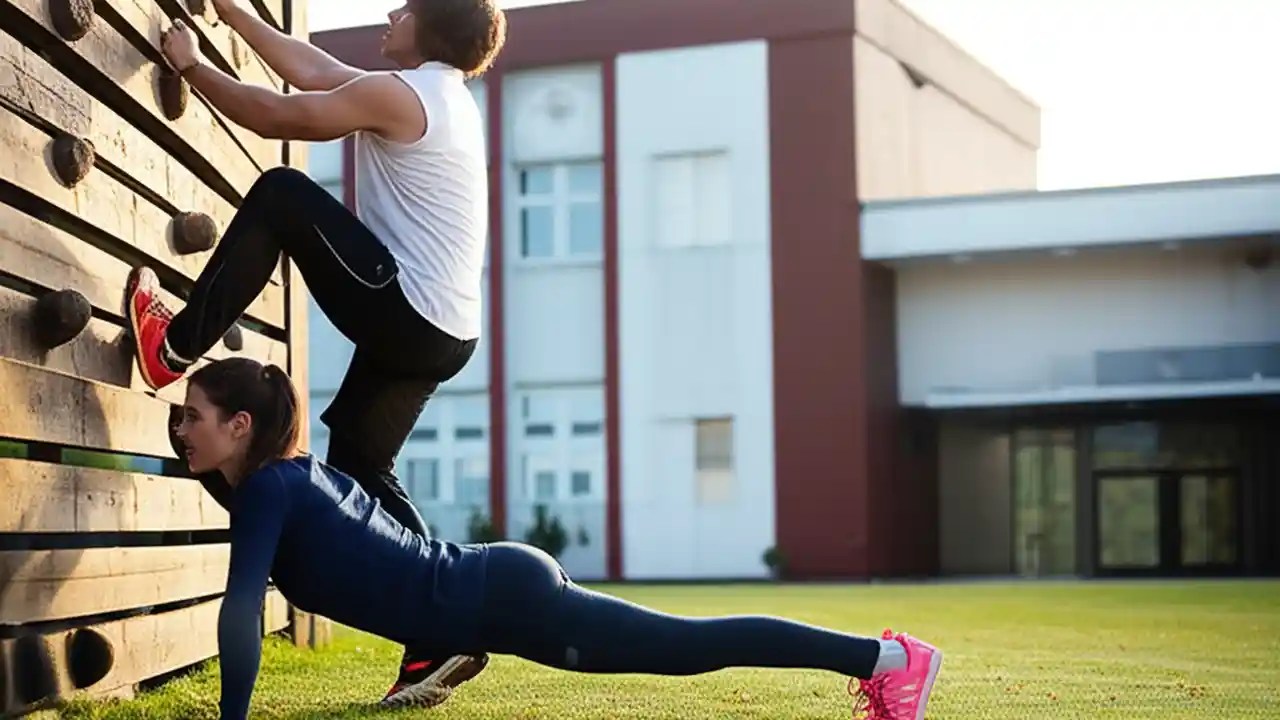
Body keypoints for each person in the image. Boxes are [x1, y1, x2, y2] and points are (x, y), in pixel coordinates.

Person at [175, 356, 945, 720]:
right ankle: (884, 660)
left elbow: (241, 609)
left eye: (192, 417)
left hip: (505, 600)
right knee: (687, 646)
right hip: (496, 591)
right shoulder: (283, 480)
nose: (181, 430)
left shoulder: (271, 491)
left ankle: (890, 660)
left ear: (240, 426)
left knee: (688, 646)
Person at [128, 0, 506, 707]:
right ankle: (441, 634)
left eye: (407, 7)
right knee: (361, 465)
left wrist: (192, 66)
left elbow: (278, 114)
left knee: (282, 194)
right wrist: (234, 13)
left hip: (410, 312)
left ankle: (172, 348)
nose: (391, 11)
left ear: (432, 26)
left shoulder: (406, 96)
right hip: (447, 331)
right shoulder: (439, 98)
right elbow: (311, 68)